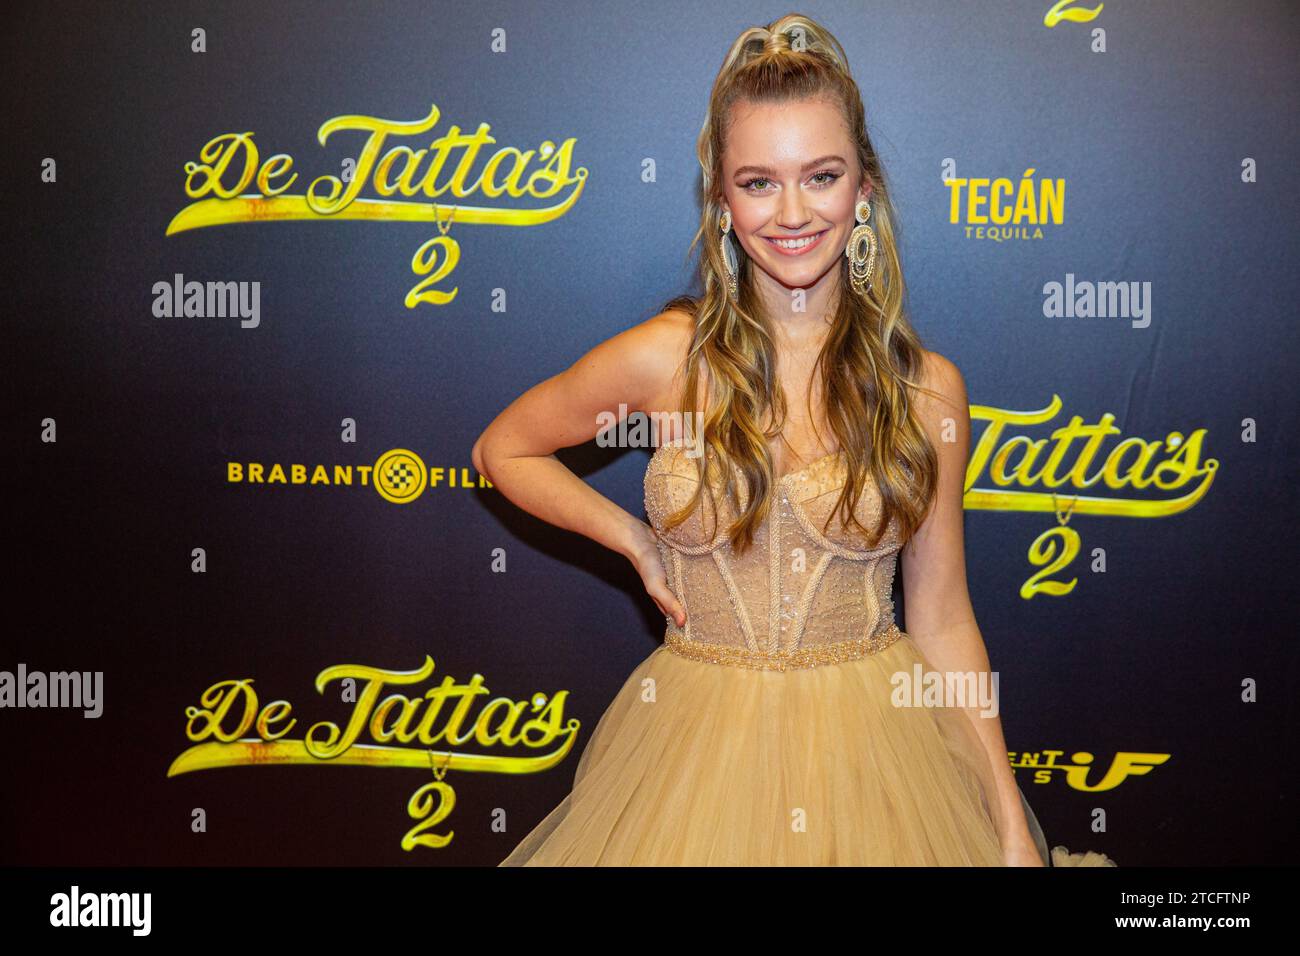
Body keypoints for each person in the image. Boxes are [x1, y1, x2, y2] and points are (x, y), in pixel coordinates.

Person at [473, 13, 1115, 866]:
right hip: (690, 762)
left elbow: (942, 615)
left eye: (821, 175)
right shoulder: (669, 359)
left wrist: (1005, 824)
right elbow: (504, 450)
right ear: (722, 202)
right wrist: (632, 539)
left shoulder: (925, 390)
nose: (793, 211)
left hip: (882, 763)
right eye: (758, 182)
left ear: (865, 190)